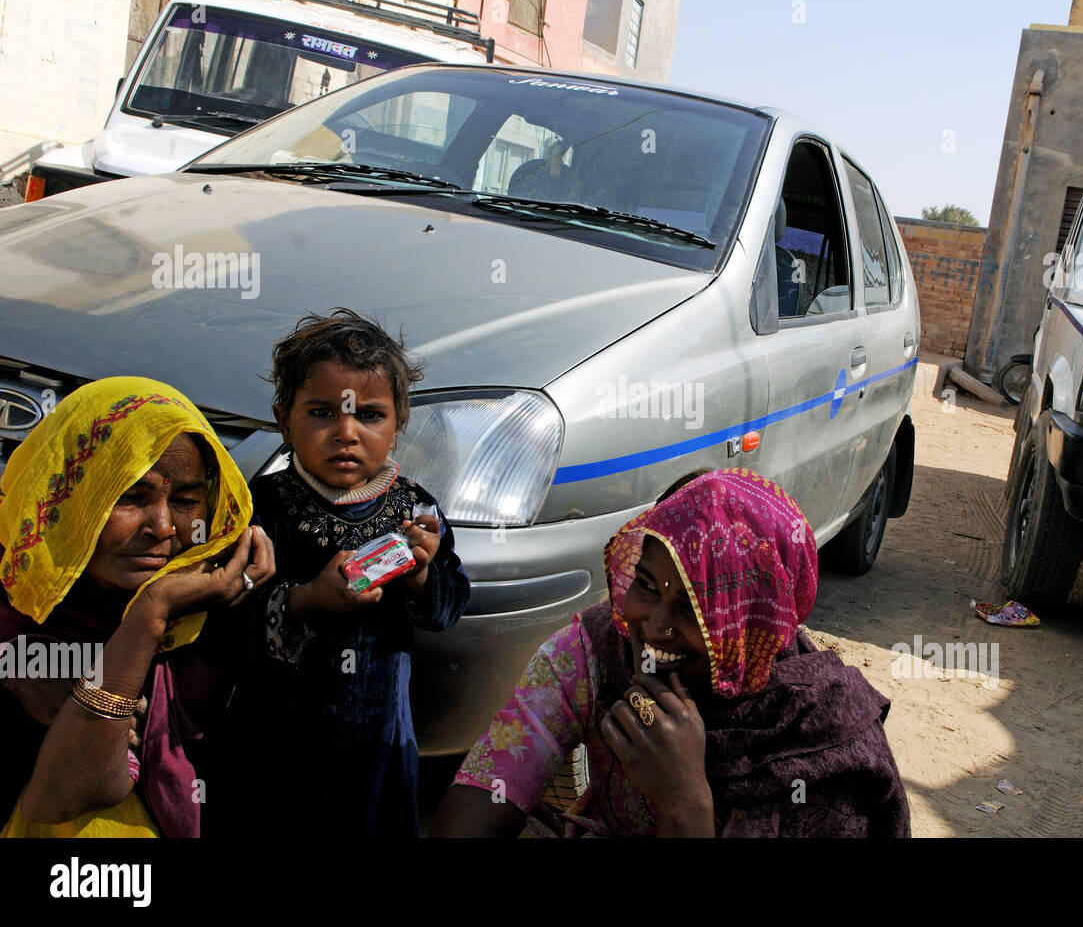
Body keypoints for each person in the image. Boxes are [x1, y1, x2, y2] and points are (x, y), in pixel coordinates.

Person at [432, 468, 911, 837]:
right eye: (645, 585)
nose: (654, 626)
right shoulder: (600, 649)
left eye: (695, 609)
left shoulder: (820, 739)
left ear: (754, 619)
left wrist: (684, 805)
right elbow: (489, 784)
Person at [229, 308, 471, 837]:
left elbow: (448, 608)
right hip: (280, 744)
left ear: (399, 423)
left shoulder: (416, 511)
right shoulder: (261, 508)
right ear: (282, 417)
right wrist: (305, 600)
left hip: (379, 743)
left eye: (370, 415)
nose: (346, 433)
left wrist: (421, 574)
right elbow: (226, 619)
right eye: (321, 413)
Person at [0, 376, 273, 837]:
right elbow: (69, 794)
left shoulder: (223, 608)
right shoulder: (18, 616)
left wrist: (156, 605)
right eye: (130, 497)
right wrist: (149, 617)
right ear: (68, 500)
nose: (163, 527)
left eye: (186, 500)